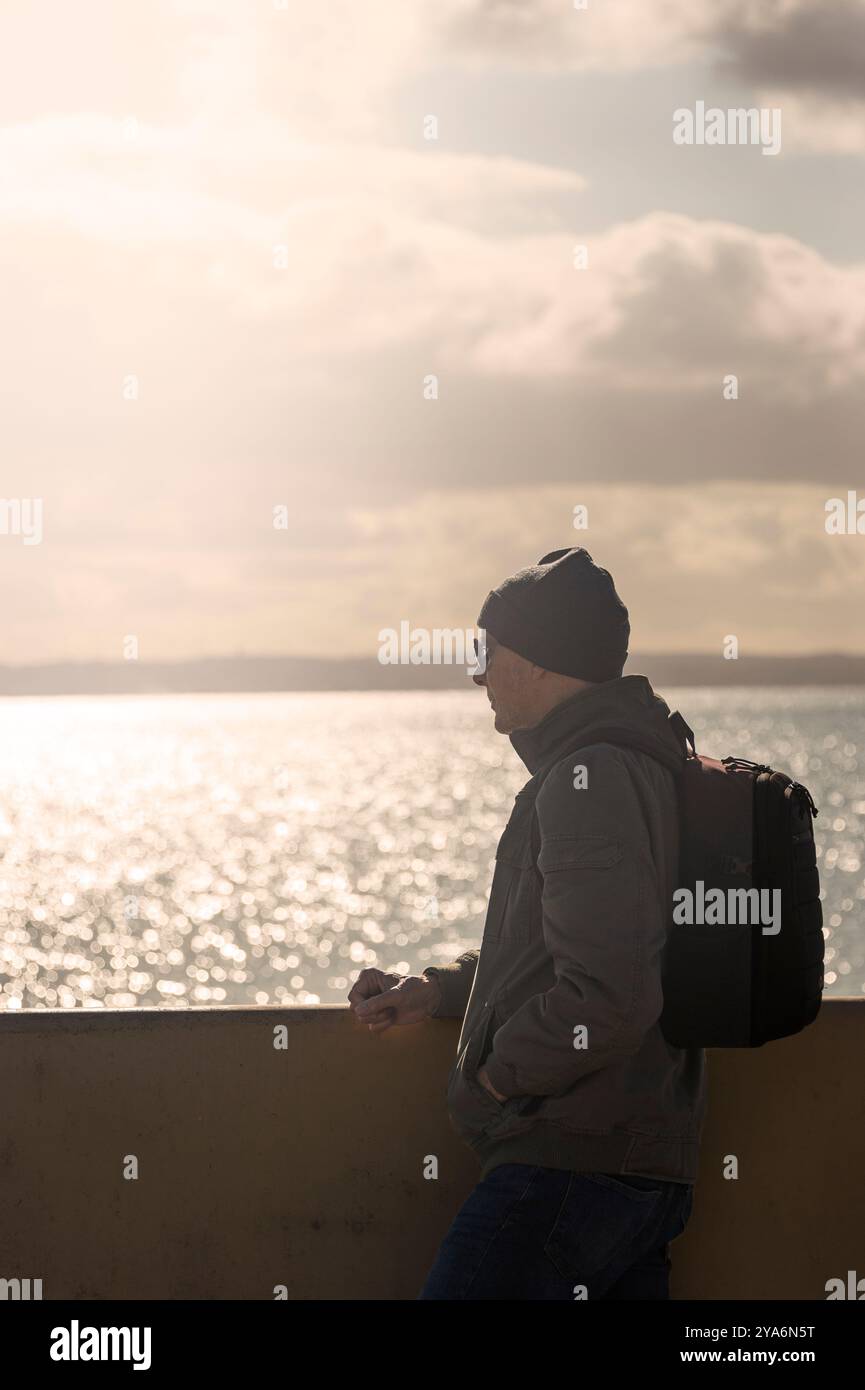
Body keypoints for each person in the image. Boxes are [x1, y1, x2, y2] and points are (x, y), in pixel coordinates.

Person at [348, 547, 706, 1300]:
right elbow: (577, 949)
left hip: (567, 1171)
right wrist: (439, 993)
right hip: (633, 1174)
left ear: (538, 661)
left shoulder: (588, 779)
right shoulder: (638, 761)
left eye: (488, 651)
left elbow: (609, 995)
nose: (477, 673)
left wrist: (493, 1079)